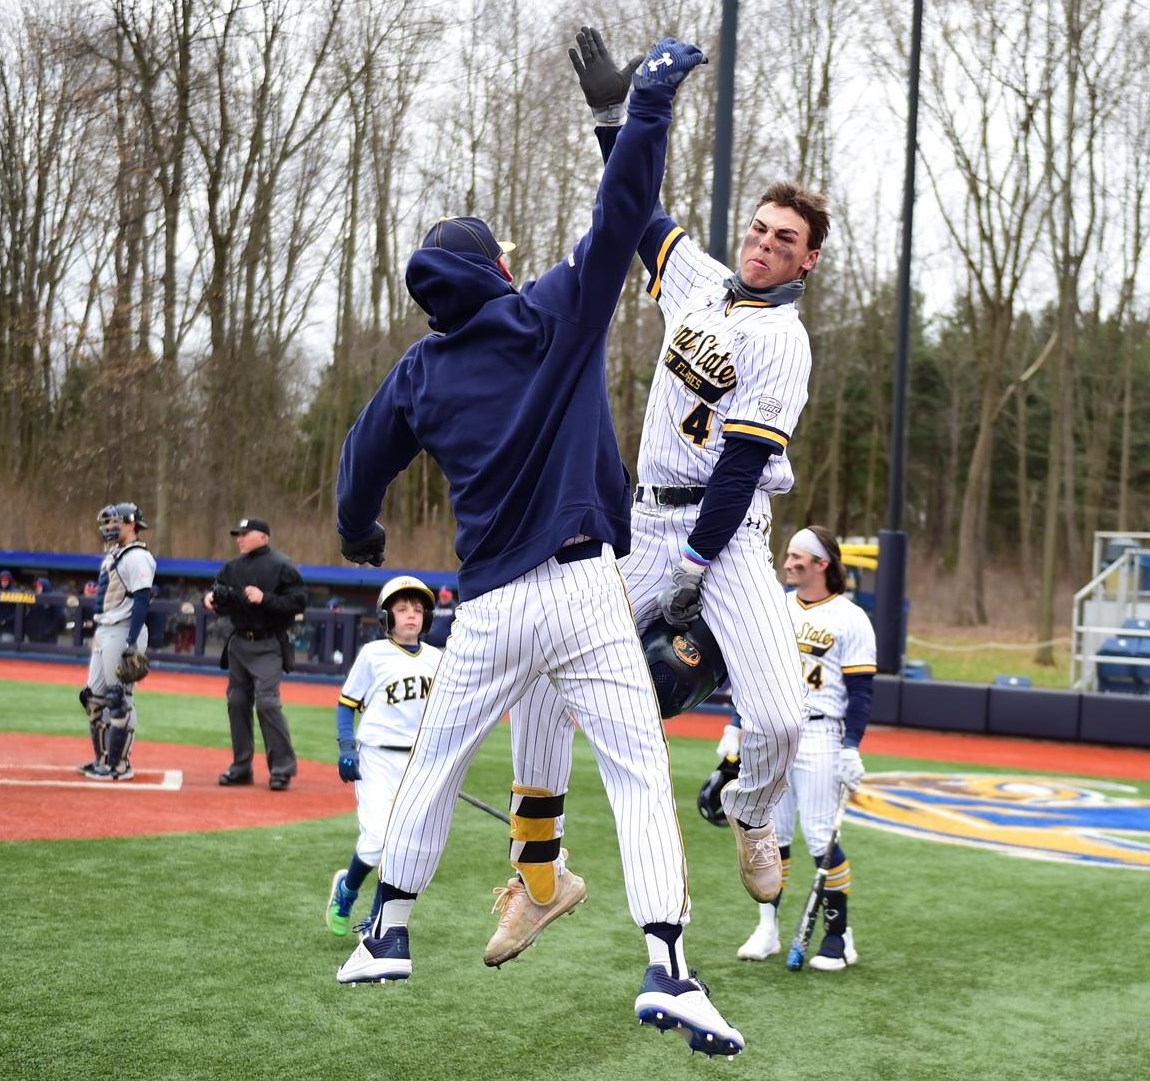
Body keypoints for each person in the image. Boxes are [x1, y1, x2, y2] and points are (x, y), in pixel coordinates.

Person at [331, 35, 741, 1056]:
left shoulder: (419, 371)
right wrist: (642, 108)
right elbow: (621, 216)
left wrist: (361, 530)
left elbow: (358, 462)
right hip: (582, 586)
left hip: (489, 605)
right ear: (498, 269)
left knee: (432, 764)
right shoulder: (550, 310)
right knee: (640, 772)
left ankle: (386, 933)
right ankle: (668, 969)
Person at [511, 26, 832, 914]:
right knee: (542, 662)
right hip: (647, 522)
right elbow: (637, 211)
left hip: (722, 539)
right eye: (761, 229)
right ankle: (540, 867)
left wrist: (694, 566)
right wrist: (614, 117)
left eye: (785, 239)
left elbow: (738, 470)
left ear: (808, 260)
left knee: (776, 718)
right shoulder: (700, 282)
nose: (765, 243)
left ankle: (749, 811)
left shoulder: (782, 339)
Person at [724, 526, 875, 972]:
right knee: (773, 835)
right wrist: (736, 726)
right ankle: (767, 927)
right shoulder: (776, 608)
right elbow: (755, 674)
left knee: (820, 834)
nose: (786, 563)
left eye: (796, 557)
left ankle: (838, 934)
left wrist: (851, 747)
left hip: (821, 733)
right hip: (771, 731)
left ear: (821, 564)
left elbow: (861, 692)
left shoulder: (851, 618)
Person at [324, 576, 442, 938]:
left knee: (403, 846)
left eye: (418, 610)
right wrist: (346, 748)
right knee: (376, 841)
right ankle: (347, 889)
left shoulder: (439, 659)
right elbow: (346, 707)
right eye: (402, 609)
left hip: (417, 763)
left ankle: (376, 918)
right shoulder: (373, 655)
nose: (411, 616)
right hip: (376, 758)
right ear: (386, 616)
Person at [205, 517, 308, 790]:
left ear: (263, 536)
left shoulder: (282, 565)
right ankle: (241, 767)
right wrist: (210, 600)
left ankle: (282, 769)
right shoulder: (232, 567)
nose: (239, 538)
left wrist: (266, 598)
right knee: (237, 701)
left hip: (268, 643)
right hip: (239, 642)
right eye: (237, 534)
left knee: (267, 703)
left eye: (244, 534)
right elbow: (219, 595)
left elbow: (299, 602)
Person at [77, 504, 157, 780]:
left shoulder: (137, 557)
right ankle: (102, 758)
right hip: (106, 629)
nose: (109, 528)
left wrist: (132, 642)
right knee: (93, 698)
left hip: (123, 630)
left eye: (115, 522)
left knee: (118, 699)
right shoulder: (114, 554)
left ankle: (119, 765)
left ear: (131, 524)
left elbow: (142, 600)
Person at [25, 577, 65, 644]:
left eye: (39, 586)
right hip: (33, 638)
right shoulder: (34, 600)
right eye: (36, 586)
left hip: (48, 639)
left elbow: (59, 618)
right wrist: (29, 632)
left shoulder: (54, 599)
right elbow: (30, 617)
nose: (37, 588)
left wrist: (48, 632)